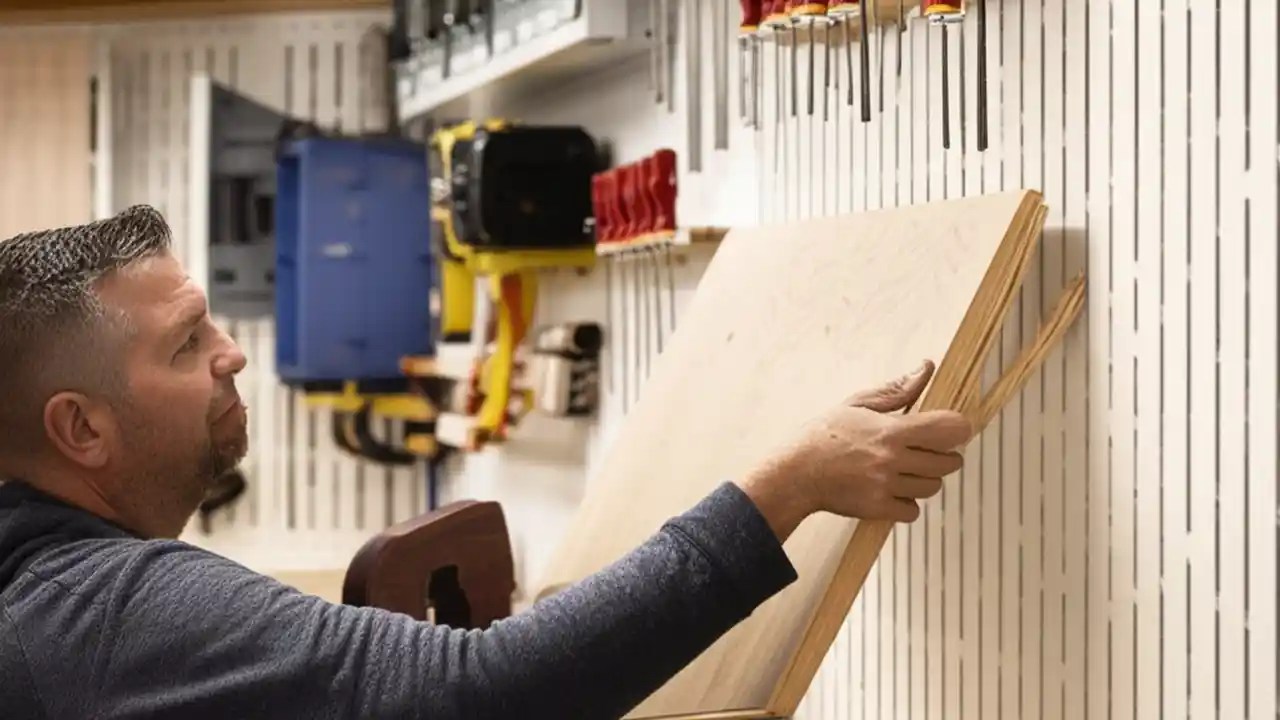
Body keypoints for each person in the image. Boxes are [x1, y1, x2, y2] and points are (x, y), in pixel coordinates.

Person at [0, 206, 973, 720]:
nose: (231, 352)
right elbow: (478, 695)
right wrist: (788, 483)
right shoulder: (97, 613)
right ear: (80, 430)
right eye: (183, 345)